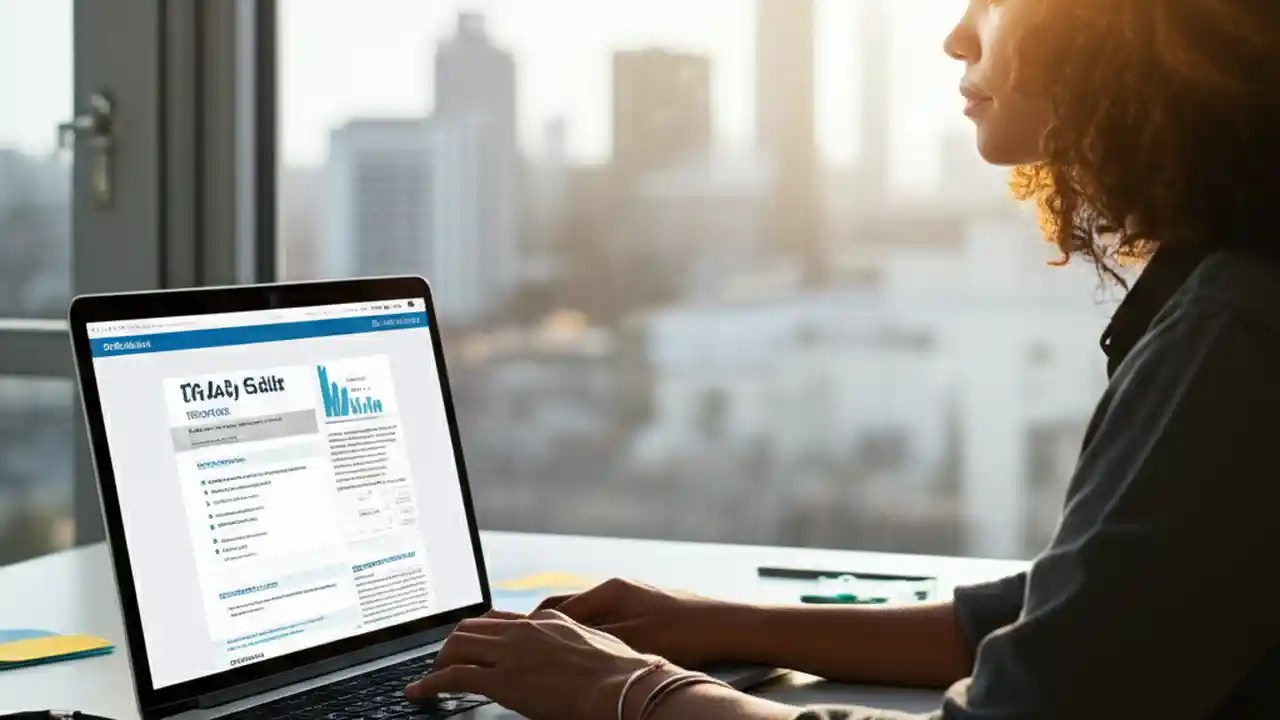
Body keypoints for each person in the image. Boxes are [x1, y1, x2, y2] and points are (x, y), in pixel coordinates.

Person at [405, 0, 1280, 717]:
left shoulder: (1236, 330)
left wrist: (630, 692)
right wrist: (725, 624)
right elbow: (1091, 612)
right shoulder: (1231, 284)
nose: (957, 35)